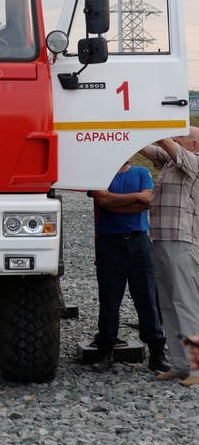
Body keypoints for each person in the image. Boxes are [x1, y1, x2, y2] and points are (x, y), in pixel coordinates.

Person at [88, 160, 169, 373]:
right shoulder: (98, 173)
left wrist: (115, 203)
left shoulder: (142, 172)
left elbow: (148, 201)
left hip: (139, 242)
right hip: (109, 243)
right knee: (109, 299)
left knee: (147, 299)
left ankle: (157, 354)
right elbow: (103, 199)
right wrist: (136, 197)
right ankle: (105, 351)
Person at [140, 131, 199, 387]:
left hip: (182, 240)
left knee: (186, 304)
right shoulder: (170, 162)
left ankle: (197, 369)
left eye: (182, 135)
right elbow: (147, 148)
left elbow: (165, 144)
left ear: (194, 144)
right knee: (167, 304)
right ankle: (180, 364)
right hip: (161, 239)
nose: (176, 137)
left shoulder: (193, 161)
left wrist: (160, 128)